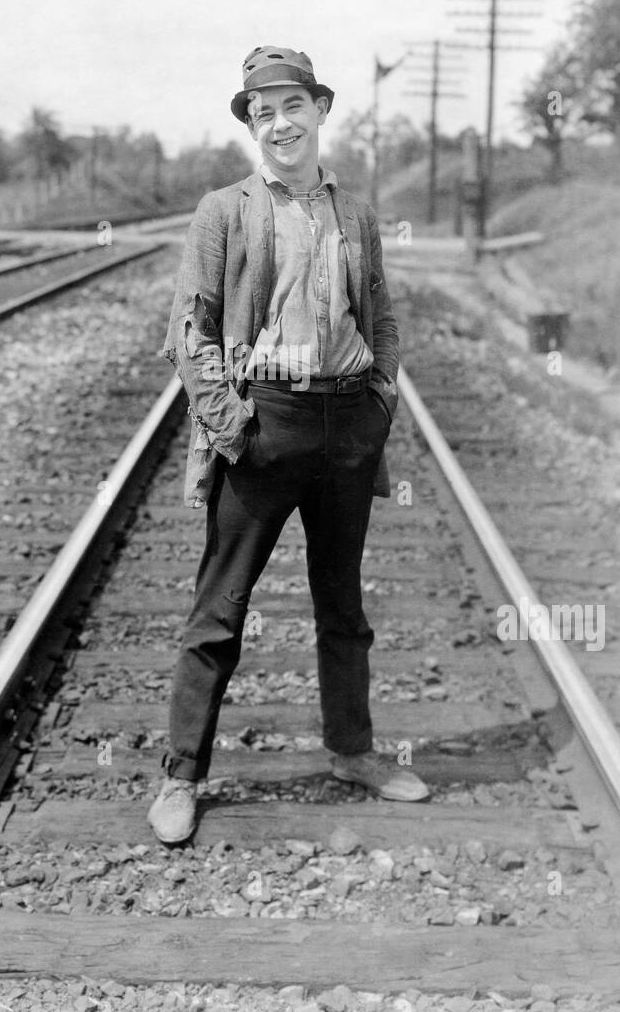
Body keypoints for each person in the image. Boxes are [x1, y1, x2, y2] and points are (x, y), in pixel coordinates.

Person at [149, 46, 428, 844]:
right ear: (252, 125)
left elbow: (383, 318)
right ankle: (183, 777)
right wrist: (228, 422)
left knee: (343, 605)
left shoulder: (356, 212)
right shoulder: (225, 211)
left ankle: (354, 752)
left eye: (293, 106)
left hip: (346, 426)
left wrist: (378, 398)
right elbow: (189, 332)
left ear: (319, 111)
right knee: (220, 609)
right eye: (263, 111)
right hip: (264, 424)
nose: (281, 124)